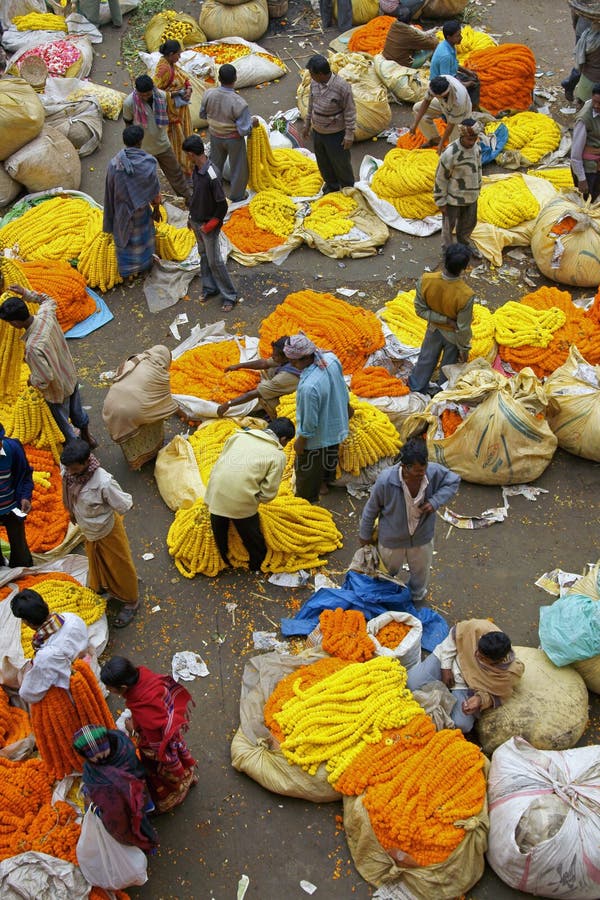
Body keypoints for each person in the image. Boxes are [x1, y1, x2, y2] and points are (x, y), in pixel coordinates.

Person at [359, 438, 460, 605]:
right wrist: (365, 535)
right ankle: (387, 598)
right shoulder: (386, 480)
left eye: (424, 468)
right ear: (404, 467)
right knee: (386, 574)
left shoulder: (433, 472)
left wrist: (435, 501)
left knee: (420, 573)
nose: (422, 474)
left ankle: (416, 598)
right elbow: (371, 510)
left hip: (421, 538)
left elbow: (453, 481)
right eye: (417, 472)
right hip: (392, 539)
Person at [0, 285, 96, 447]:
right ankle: (88, 437)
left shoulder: (32, 347)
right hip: (69, 374)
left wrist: (32, 380)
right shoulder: (46, 315)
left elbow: (45, 378)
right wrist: (26, 293)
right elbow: (48, 299)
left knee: (64, 424)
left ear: (15, 323)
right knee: (78, 411)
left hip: (57, 391)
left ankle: (78, 448)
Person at [100, 657, 197, 814]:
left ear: (123, 687)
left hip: (161, 743)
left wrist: (133, 728)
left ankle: (174, 794)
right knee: (179, 756)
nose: (108, 690)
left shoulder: (144, 708)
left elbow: (158, 745)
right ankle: (188, 777)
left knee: (161, 771)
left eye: (110, 688)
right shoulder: (145, 676)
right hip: (171, 729)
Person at [60, 440, 139, 628]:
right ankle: (105, 585)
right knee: (97, 560)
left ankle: (131, 600)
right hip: (88, 529)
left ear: (86, 462)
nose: (68, 471)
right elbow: (69, 494)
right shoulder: (68, 473)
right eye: (67, 468)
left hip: (106, 530)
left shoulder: (103, 482)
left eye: (73, 468)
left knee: (120, 564)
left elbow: (125, 504)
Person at [205, 417, 295, 572]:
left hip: (214, 493)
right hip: (241, 502)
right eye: (286, 442)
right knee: (252, 536)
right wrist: (251, 499)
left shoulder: (238, 436)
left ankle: (224, 557)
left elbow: (221, 461)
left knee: (219, 524)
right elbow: (268, 493)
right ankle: (256, 565)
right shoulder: (277, 455)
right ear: (283, 439)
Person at [406, 619, 524, 732]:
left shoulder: (507, 675)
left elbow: (497, 695)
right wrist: (445, 667)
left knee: (462, 724)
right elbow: (454, 637)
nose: (476, 655)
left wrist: (479, 699)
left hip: (466, 685)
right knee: (411, 682)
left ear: (496, 661)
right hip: (452, 659)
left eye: (482, 658)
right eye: (477, 650)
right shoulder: (479, 629)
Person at [285, 334, 350, 503]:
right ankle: (324, 484)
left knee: (308, 468)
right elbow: (342, 386)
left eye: (294, 361)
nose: (291, 365)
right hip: (335, 424)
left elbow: (309, 422)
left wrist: (301, 441)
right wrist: (347, 407)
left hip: (317, 436)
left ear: (306, 357)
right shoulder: (331, 359)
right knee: (329, 457)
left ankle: (307, 499)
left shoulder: (308, 387)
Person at [73, 725, 159, 852]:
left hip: (135, 796)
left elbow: (114, 808)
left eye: (103, 753)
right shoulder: (91, 770)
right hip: (129, 796)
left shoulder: (124, 751)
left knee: (137, 819)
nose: (101, 759)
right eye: (95, 758)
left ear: (108, 742)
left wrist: (95, 808)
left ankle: (147, 843)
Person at [407, 244, 475, 394]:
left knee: (425, 361)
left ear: (444, 260)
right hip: (452, 338)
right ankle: (441, 395)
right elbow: (463, 328)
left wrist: (442, 320)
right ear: (464, 268)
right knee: (448, 368)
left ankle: (415, 389)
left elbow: (420, 310)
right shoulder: (466, 294)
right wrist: (464, 349)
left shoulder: (426, 280)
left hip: (433, 329)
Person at [183, 134, 237, 312]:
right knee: (203, 255)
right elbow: (196, 196)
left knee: (215, 261)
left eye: (186, 154)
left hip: (208, 224)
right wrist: (191, 218)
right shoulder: (196, 170)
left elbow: (221, 207)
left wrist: (209, 226)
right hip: (197, 220)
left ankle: (229, 295)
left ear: (191, 154)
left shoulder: (212, 175)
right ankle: (209, 288)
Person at [102, 345, 178, 469]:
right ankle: (151, 454)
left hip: (111, 403)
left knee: (129, 437)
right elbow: (164, 402)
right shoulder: (160, 374)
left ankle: (135, 461)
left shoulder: (136, 360)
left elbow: (118, 374)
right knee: (153, 415)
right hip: (134, 410)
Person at [103, 125, 162, 281]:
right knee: (143, 240)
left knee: (126, 240)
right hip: (141, 211)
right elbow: (155, 192)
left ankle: (128, 271)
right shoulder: (148, 163)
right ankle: (144, 266)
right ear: (140, 141)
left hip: (122, 211)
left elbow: (110, 189)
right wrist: (156, 207)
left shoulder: (114, 164)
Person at [11, 589, 88, 704]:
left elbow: (28, 694)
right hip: (89, 671)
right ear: (45, 605)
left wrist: (22, 678)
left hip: (76, 692)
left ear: (28, 623)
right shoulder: (71, 617)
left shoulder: (47, 654)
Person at [123, 75, 191, 204]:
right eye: (141, 95)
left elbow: (167, 114)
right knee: (146, 177)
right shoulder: (129, 103)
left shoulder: (162, 96)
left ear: (152, 89)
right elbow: (128, 124)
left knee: (175, 172)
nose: (144, 97)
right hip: (142, 148)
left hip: (162, 143)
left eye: (147, 94)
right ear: (136, 91)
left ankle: (187, 197)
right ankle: (153, 202)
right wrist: (133, 147)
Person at [199, 64, 258, 203]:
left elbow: (202, 115)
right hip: (233, 139)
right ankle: (237, 196)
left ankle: (214, 192)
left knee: (215, 165)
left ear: (219, 78)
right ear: (235, 78)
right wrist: (252, 123)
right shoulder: (238, 102)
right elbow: (243, 129)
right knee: (238, 167)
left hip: (214, 135)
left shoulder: (209, 94)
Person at [302, 55, 356, 196]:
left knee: (341, 163)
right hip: (318, 131)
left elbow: (350, 112)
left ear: (320, 74)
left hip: (335, 133)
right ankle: (332, 185)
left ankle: (347, 188)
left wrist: (349, 135)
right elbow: (311, 105)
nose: (311, 76)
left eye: (312, 74)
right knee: (323, 162)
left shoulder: (342, 87)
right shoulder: (314, 83)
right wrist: (307, 124)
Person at [216, 337, 302, 420]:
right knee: (271, 368)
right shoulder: (295, 356)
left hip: (297, 397)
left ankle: (275, 417)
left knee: (264, 398)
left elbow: (256, 393)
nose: (272, 356)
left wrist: (228, 404)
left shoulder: (284, 377)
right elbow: (264, 363)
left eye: (275, 355)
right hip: (290, 383)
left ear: (286, 357)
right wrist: (239, 366)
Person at [434, 119, 482, 256]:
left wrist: (478, 187)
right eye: (469, 139)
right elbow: (440, 177)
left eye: (474, 138)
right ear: (461, 136)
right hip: (453, 198)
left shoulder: (476, 148)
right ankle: (448, 252)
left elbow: (478, 168)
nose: (471, 142)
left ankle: (464, 246)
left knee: (468, 224)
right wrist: (440, 201)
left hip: (471, 196)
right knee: (448, 228)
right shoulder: (450, 153)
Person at [154, 40, 193, 173]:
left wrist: (188, 89)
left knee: (186, 134)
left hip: (181, 107)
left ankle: (189, 163)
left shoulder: (172, 64)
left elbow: (183, 77)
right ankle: (182, 168)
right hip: (172, 111)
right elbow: (155, 91)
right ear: (170, 54)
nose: (179, 57)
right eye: (178, 54)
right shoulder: (163, 69)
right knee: (178, 140)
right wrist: (174, 93)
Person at [0, 423, 33, 568]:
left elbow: (26, 474)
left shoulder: (13, 449)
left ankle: (21, 567)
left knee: (19, 544)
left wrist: (25, 496)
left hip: (13, 507)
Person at [411, 75, 472, 152]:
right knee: (417, 108)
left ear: (443, 95)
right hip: (443, 103)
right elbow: (426, 101)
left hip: (461, 111)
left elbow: (450, 125)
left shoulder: (459, 100)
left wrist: (442, 144)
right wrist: (415, 124)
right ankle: (435, 139)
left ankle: (444, 144)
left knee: (455, 146)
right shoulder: (436, 84)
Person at [429, 20, 480, 109]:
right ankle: (468, 110)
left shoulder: (449, 45)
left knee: (474, 79)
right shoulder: (446, 55)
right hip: (441, 85)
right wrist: (467, 84)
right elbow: (447, 82)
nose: (461, 37)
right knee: (474, 85)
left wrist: (468, 72)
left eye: (460, 34)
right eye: (457, 36)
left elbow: (454, 64)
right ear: (449, 37)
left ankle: (468, 106)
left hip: (451, 76)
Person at [571, 82, 600, 201]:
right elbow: (575, 155)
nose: (597, 106)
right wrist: (582, 179)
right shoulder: (584, 120)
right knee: (587, 203)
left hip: (597, 167)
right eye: (595, 102)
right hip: (587, 170)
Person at [574, 19, 600, 106]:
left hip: (587, 78)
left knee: (585, 104)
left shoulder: (586, 37)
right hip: (594, 80)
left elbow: (580, 61)